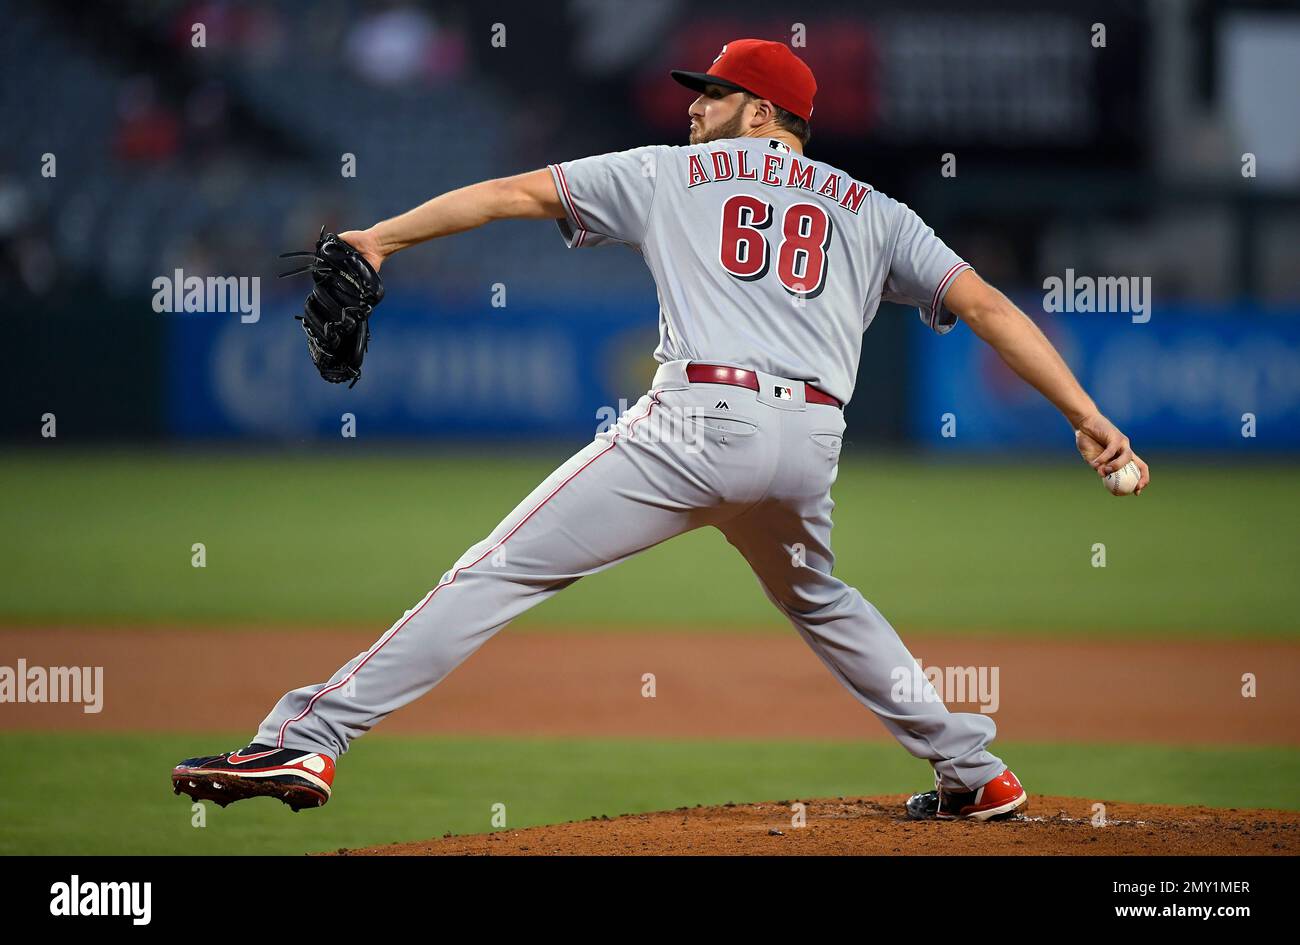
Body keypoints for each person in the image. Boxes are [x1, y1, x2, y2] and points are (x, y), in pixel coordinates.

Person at [172, 39, 1149, 821]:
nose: (692, 107)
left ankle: (310, 734)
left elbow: (513, 194)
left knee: (499, 569)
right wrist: (1086, 414)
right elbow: (985, 305)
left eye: (713, 93)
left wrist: (380, 237)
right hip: (808, 445)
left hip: (695, 423)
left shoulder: (665, 175)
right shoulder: (876, 211)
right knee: (822, 601)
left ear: (762, 112)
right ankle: (973, 774)